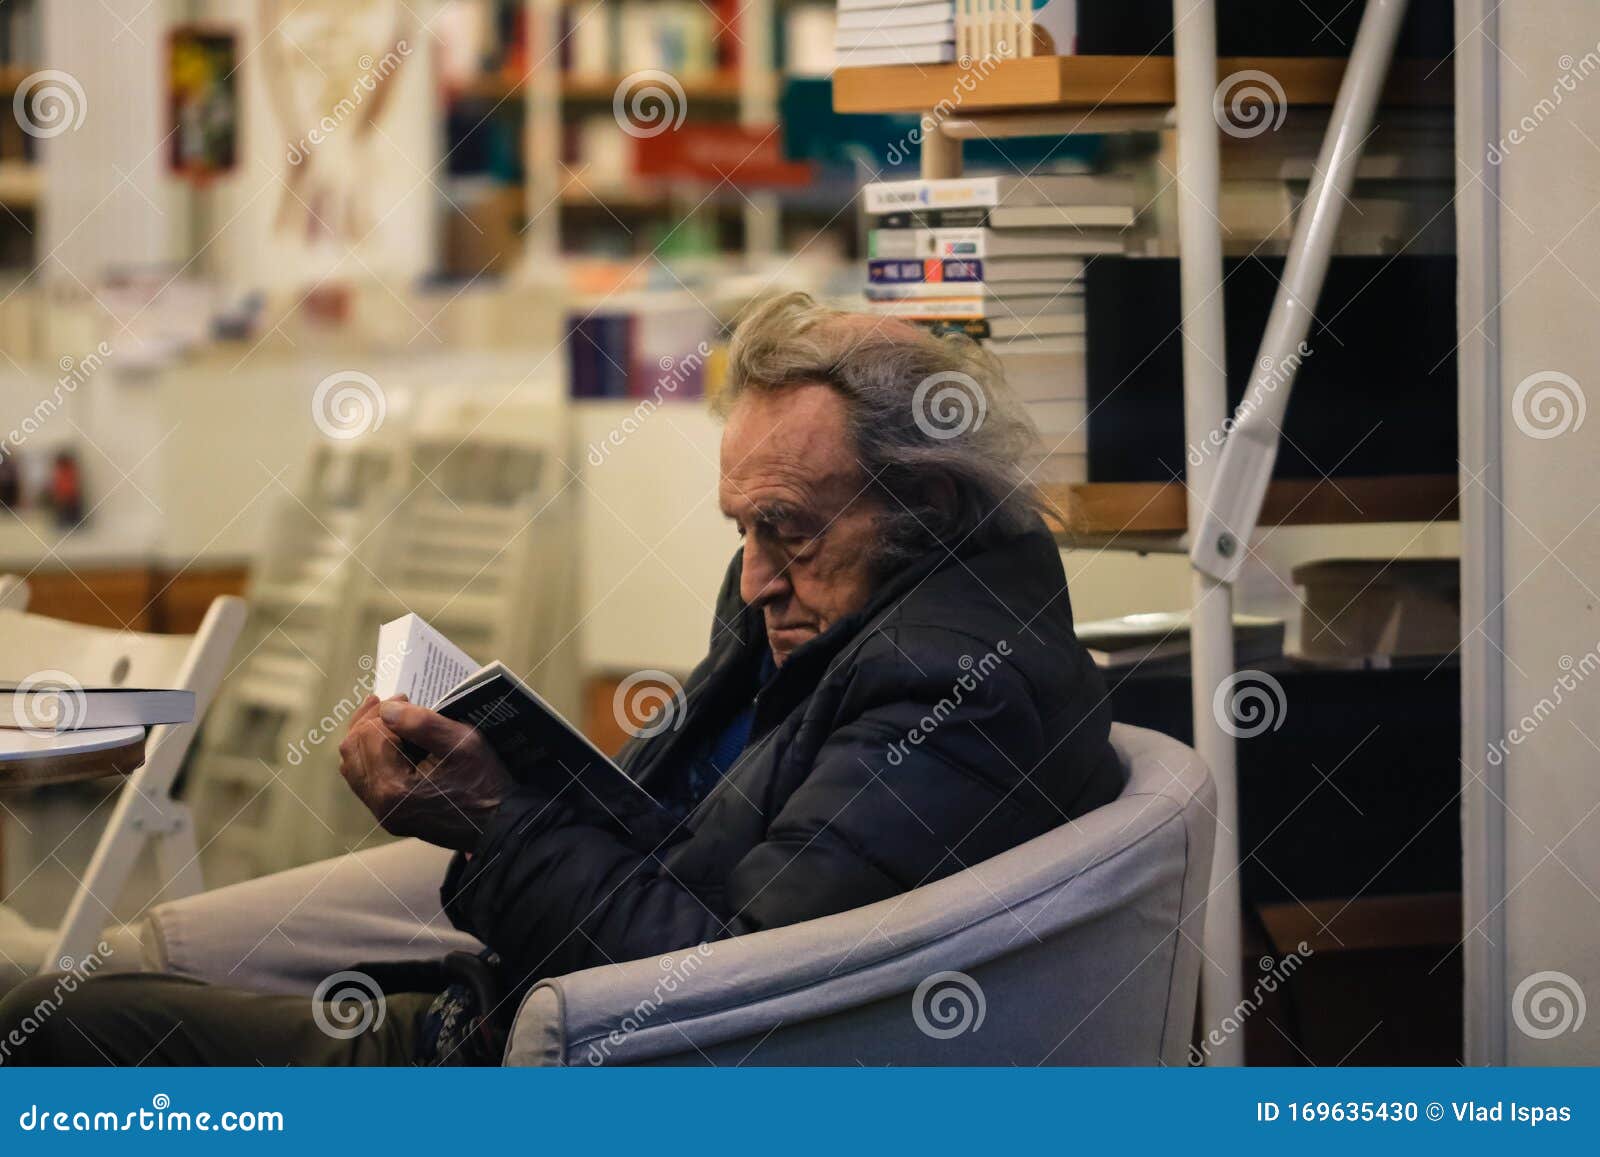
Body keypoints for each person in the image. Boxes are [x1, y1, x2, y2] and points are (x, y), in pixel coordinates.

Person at [0, 294, 1123, 1065]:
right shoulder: (837, 610)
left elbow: (716, 997)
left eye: (787, 528)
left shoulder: (948, 688)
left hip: (517, 1051)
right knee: (104, 994)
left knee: (59, 1031)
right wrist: (507, 785)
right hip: (517, 993)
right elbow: (678, 841)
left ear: (926, 504)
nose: (754, 579)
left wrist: (499, 821)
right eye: (740, 527)